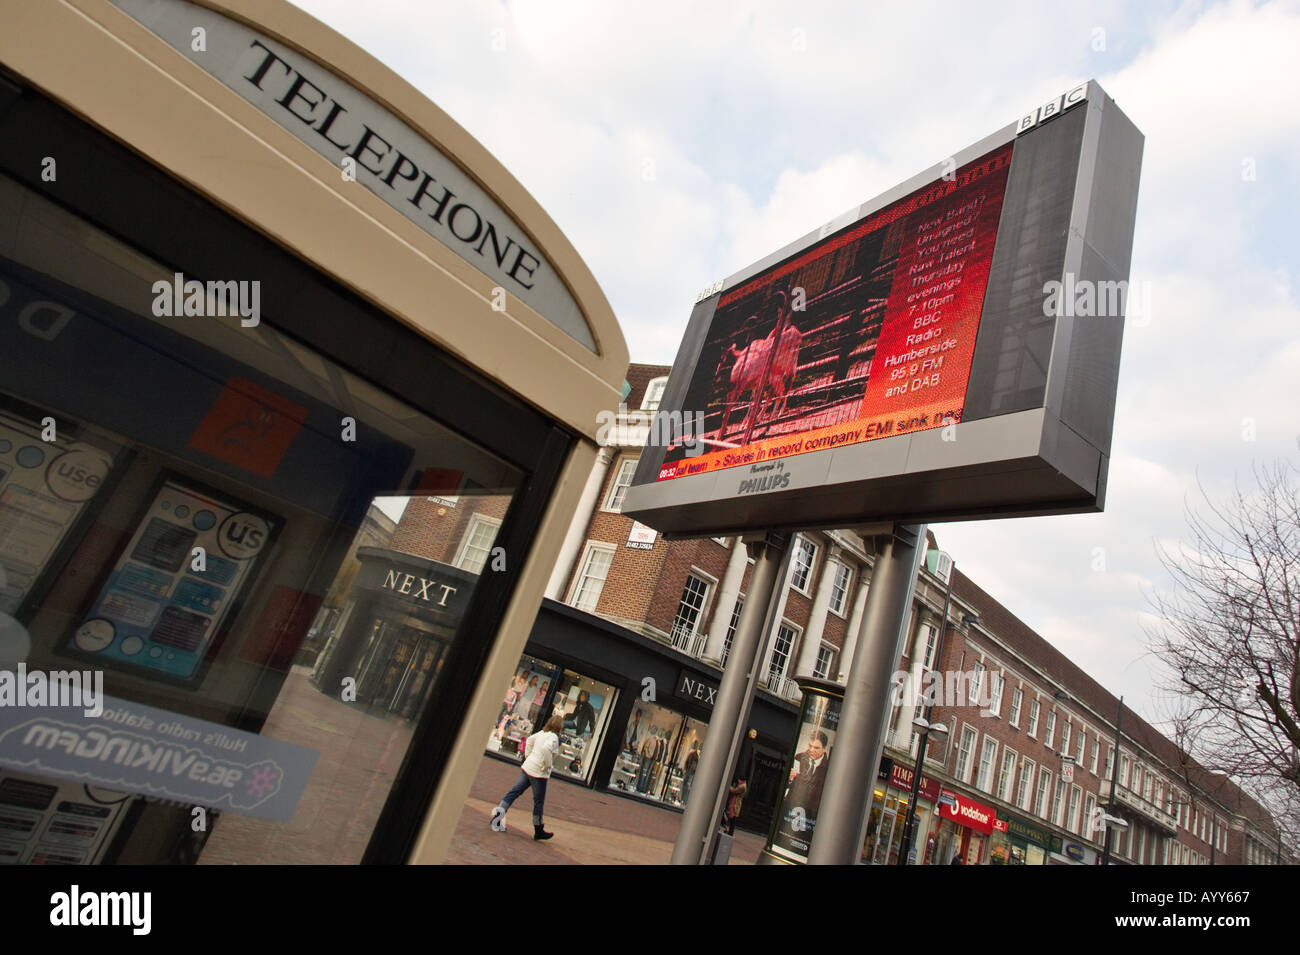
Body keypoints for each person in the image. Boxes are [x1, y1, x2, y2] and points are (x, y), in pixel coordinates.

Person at [490, 712, 564, 840]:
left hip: (528, 767)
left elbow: (529, 740)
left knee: (514, 792)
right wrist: (547, 765)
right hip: (539, 773)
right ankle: (538, 828)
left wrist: (528, 756)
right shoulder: (553, 738)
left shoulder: (542, 733)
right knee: (538, 801)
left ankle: (497, 817)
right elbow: (546, 750)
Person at [681, 741, 701, 805]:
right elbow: (688, 762)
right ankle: (685, 800)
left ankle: (683, 799)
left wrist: (686, 768)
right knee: (688, 785)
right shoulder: (695, 756)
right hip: (691, 772)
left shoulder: (693, 755)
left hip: (689, 771)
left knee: (686, 785)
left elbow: (687, 762)